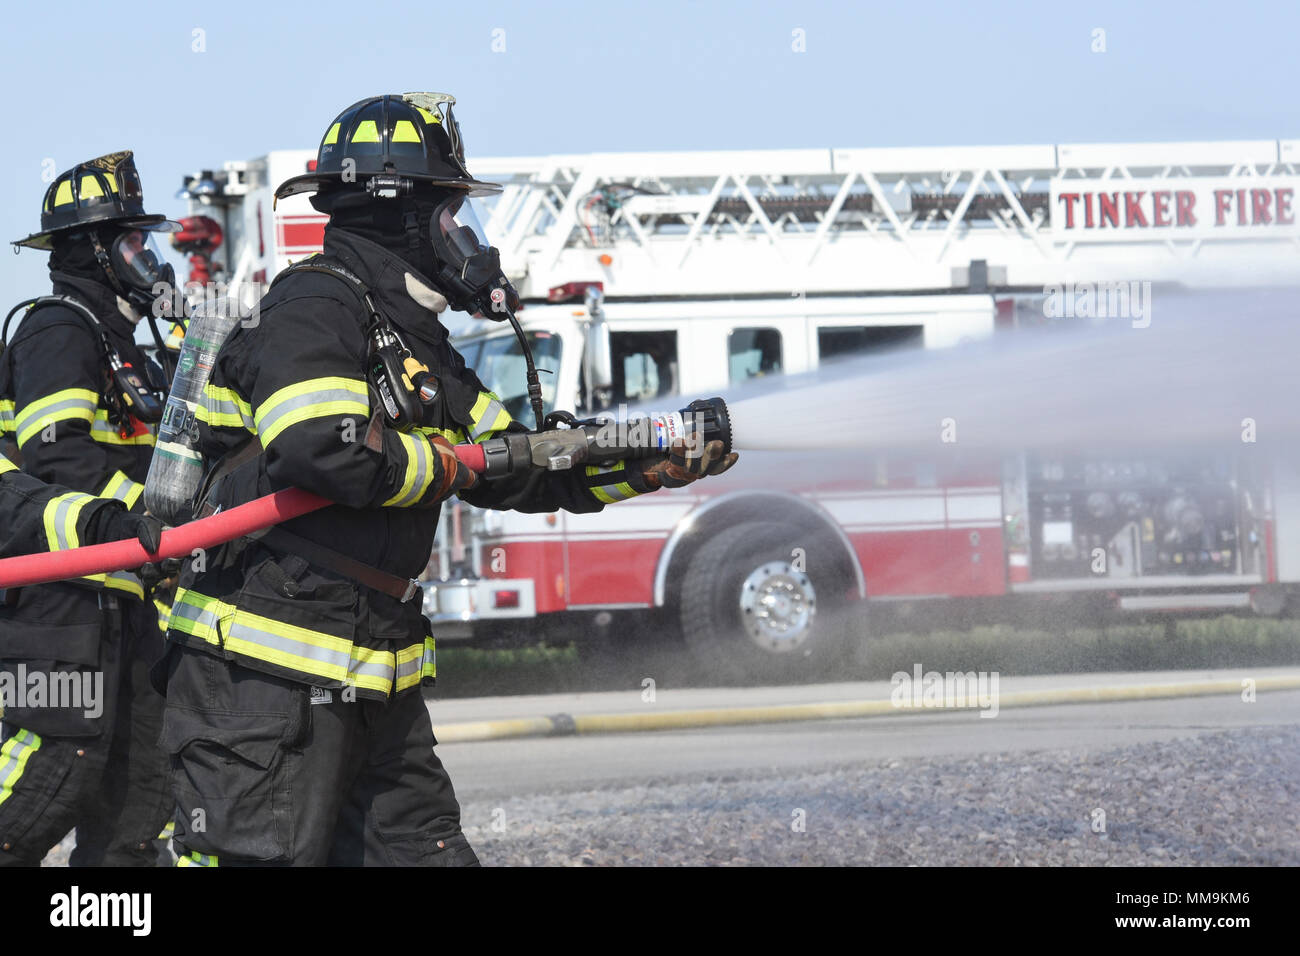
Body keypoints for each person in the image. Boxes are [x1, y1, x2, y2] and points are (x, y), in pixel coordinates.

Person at [161, 92, 737, 867]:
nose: (466, 238)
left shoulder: (415, 341)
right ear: (399, 215)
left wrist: (649, 462)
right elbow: (319, 450)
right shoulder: (314, 303)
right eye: (451, 215)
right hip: (266, 678)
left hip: (374, 674)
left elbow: (515, 463)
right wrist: (443, 463)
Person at [0, 151, 177, 866]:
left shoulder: (123, 343)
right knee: (50, 772)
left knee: (142, 785)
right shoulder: (58, 328)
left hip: (124, 592)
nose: (151, 262)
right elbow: (56, 458)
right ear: (94, 252)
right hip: (57, 597)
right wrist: (144, 520)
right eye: (134, 245)